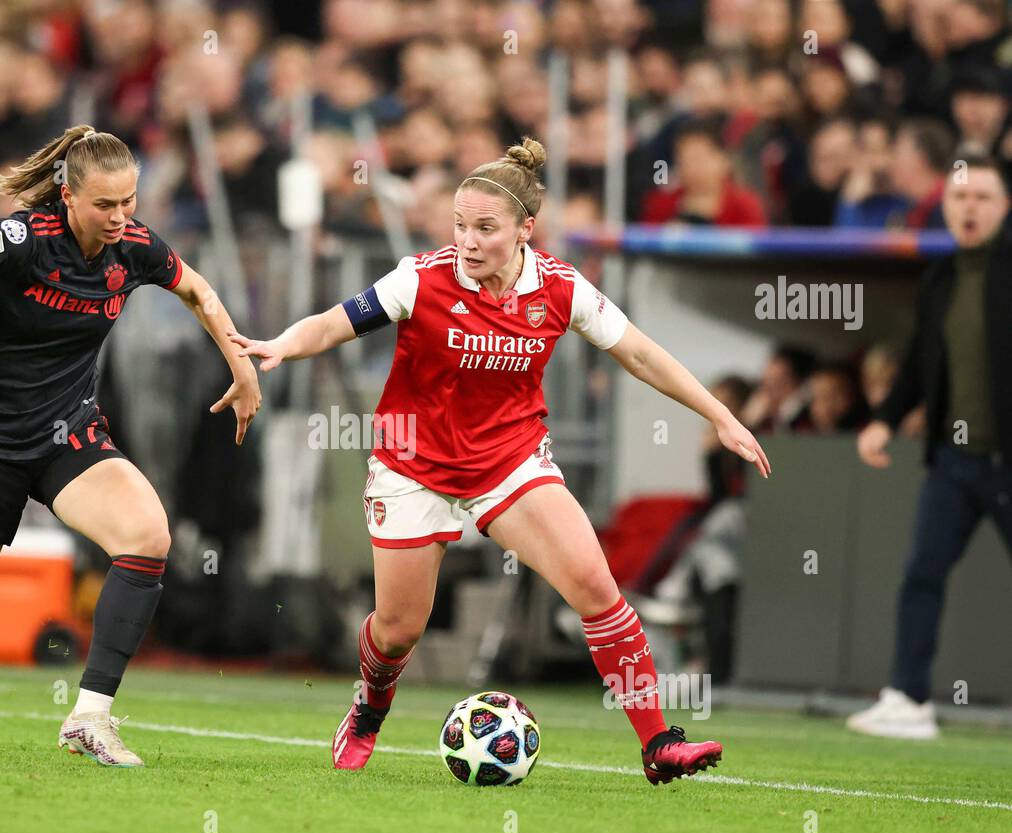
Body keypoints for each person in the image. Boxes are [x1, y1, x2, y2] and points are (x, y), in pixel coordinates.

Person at [232, 137, 771, 785]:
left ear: (525, 230)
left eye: (485, 227)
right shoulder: (422, 278)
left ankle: (659, 743)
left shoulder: (561, 289)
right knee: (400, 629)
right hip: (413, 464)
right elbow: (336, 321)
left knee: (597, 588)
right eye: (460, 224)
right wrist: (282, 347)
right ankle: (371, 704)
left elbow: (641, 353)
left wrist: (718, 412)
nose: (467, 239)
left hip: (510, 461)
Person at [0, 125, 261, 765]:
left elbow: (198, 290)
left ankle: (90, 716)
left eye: (130, 202)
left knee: (147, 534)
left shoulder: (136, 249)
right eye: (105, 205)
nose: (121, 218)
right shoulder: (25, 239)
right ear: (67, 195)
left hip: (68, 434)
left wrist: (242, 364)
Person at [852, 153, 1012, 740]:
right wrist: (884, 421)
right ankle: (909, 698)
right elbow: (922, 363)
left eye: (983, 198)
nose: (970, 209)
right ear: (945, 205)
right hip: (954, 460)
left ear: (1005, 205)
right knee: (922, 573)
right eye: (961, 198)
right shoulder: (941, 276)